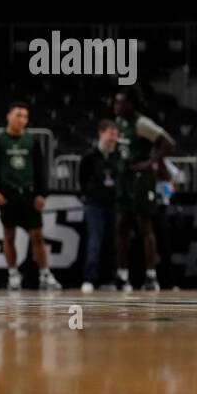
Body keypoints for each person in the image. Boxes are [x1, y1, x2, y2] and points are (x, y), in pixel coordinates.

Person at [0, 101, 60, 290]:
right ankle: (13, 274)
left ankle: (45, 274)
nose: (22, 120)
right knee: (9, 236)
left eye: (25, 116)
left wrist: (42, 194)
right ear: (8, 116)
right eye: (18, 115)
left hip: (29, 195)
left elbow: (41, 170)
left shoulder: (32, 142)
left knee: (37, 236)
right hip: (8, 195)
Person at [112, 91, 175, 292]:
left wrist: (150, 163)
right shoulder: (119, 123)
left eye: (120, 103)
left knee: (144, 226)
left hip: (141, 180)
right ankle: (122, 275)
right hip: (125, 178)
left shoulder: (142, 123)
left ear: (130, 104)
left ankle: (151, 276)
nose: (116, 106)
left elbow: (168, 143)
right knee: (122, 226)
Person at [78, 120, 120, 293]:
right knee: (94, 241)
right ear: (101, 133)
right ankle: (89, 278)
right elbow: (82, 179)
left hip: (114, 204)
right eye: (110, 134)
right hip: (95, 204)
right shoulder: (89, 156)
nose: (113, 138)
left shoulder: (119, 157)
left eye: (115, 134)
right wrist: (89, 194)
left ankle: (109, 279)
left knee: (112, 242)